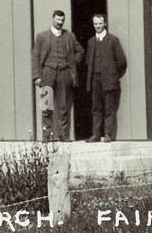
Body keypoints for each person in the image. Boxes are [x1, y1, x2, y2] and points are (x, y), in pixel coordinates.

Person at [31, 9, 83, 141]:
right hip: (47, 73)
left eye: (62, 20)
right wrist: (36, 76)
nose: (60, 22)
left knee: (63, 105)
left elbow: (80, 52)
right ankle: (46, 136)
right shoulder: (42, 37)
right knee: (46, 104)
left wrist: (71, 61)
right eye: (58, 20)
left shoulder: (70, 36)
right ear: (53, 19)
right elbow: (35, 56)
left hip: (64, 74)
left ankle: (63, 136)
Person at [85, 14, 127, 142]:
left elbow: (122, 62)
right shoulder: (91, 42)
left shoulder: (113, 40)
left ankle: (108, 134)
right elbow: (88, 62)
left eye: (100, 23)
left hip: (109, 80)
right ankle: (96, 134)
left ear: (105, 24)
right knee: (96, 108)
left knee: (109, 108)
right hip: (95, 80)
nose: (97, 26)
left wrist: (113, 75)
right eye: (95, 24)